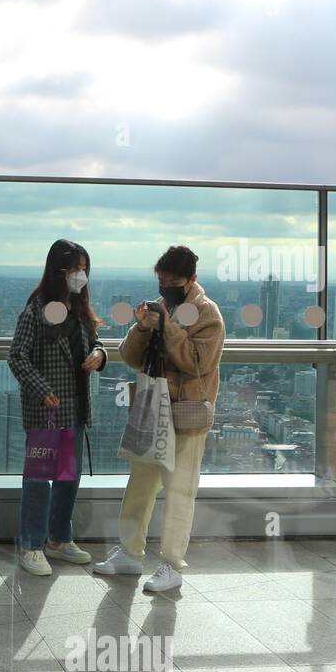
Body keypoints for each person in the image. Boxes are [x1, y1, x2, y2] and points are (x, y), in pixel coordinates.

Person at [95, 245, 225, 592]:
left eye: (173, 281)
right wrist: (141, 328)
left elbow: (196, 362)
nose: (166, 287)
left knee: (180, 490)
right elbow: (129, 356)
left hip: (186, 415)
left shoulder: (207, 314)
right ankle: (130, 552)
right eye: (161, 281)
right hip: (154, 409)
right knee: (139, 485)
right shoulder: (161, 307)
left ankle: (171, 565)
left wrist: (167, 327)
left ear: (192, 279)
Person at [7, 238, 107, 576]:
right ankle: (30, 544)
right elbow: (17, 356)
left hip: (75, 408)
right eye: (74, 268)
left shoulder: (78, 308)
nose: (80, 275)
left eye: (84, 269)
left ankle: (58, 538)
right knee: (39, 479)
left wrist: (100, 354)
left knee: (69, 477)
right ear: (57, 269)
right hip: (47, 411)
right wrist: (41, 389)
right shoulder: (36, 309)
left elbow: (94, 341)